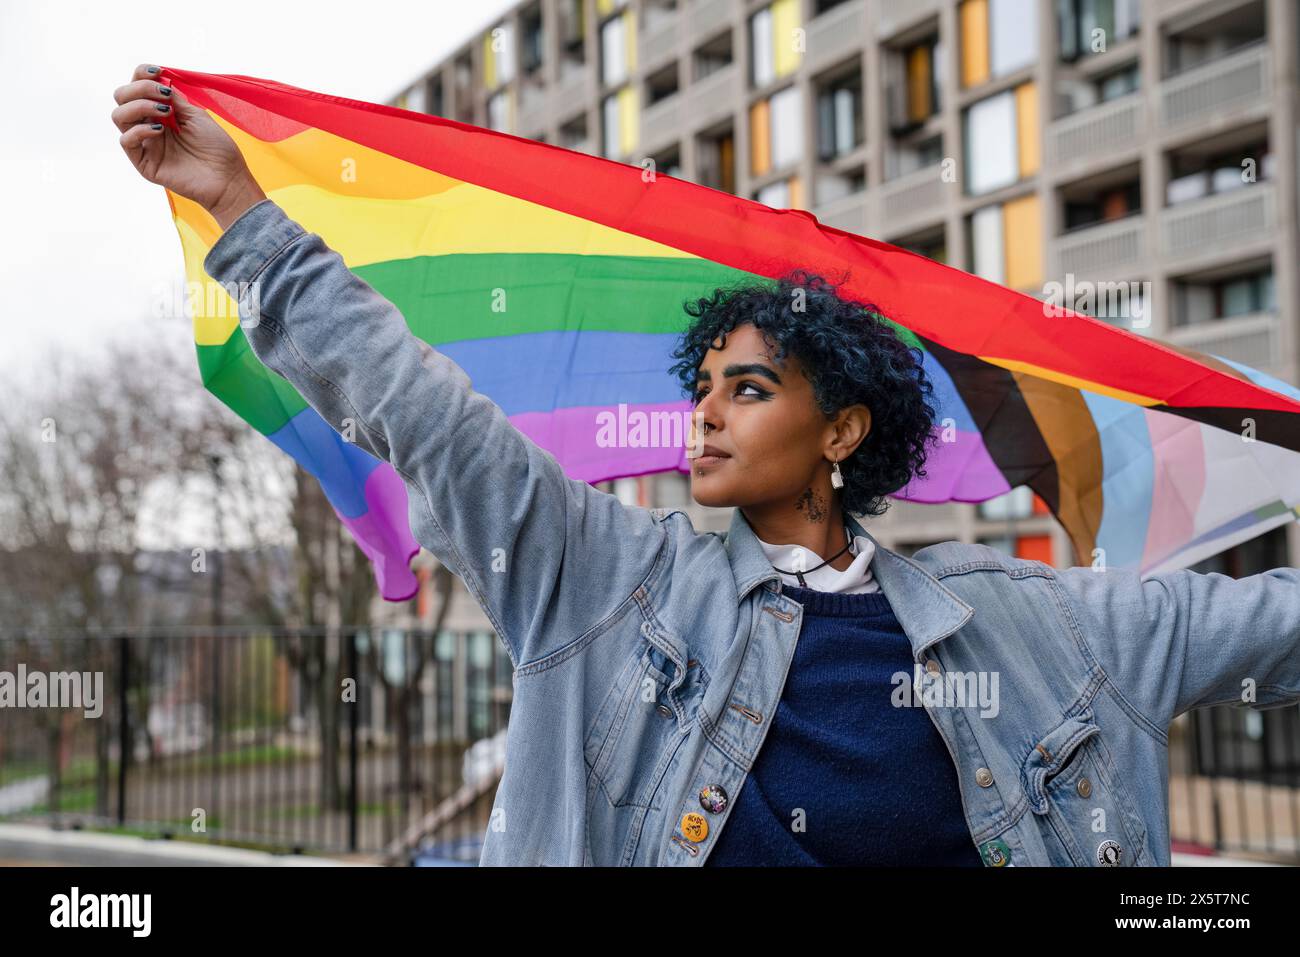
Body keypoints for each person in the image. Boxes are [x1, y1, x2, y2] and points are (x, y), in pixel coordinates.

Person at [114, 64, 1300, 867]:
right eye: (701, 389)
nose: (704, 418)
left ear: (841, 433)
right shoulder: (600, 580)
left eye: (748, 389)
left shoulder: (1040, 625)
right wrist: (242, 211)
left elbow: (1269, 627)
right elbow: (420, 412)